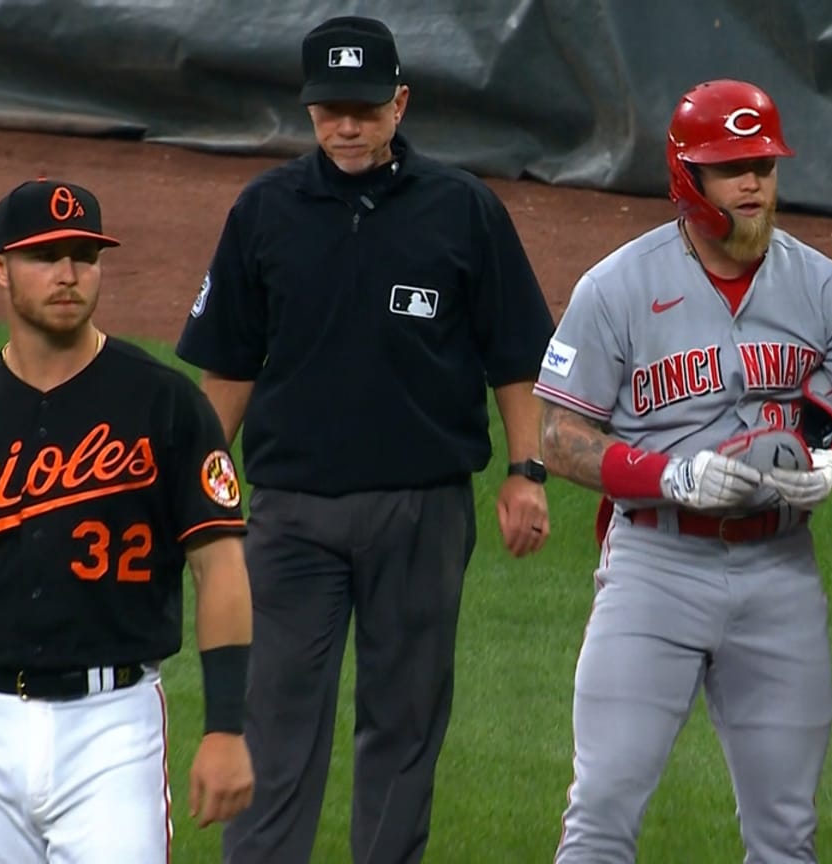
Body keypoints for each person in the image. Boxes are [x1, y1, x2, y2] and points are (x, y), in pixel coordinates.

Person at [174, 15, 556, 864]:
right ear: (308, 109)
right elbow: (229, 366)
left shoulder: (462, 209)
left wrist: (526, 470)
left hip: (421, 513)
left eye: (364, 108)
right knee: (273, 723)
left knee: (406, 724)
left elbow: (514, 357)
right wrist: (201, 489)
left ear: (400, 103)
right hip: (290, 517)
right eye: (329, 109)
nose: (346, 126)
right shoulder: (265, 210)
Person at [533, 78, 832, 863]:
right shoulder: (616, 288)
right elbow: (560, 436)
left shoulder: (828, 288)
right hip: (655, 566)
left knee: (786, 831)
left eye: (764, 166)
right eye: (731, 167)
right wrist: (669, 476)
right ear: (686, 177)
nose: (753, 184)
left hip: (780, 571)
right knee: (601, 813)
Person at [0, 178, 255, 861]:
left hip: (113, 725)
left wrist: (225, 727)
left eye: (84, 255)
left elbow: (220, 567)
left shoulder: (164, 405)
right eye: (45, 256)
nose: (68, 274)